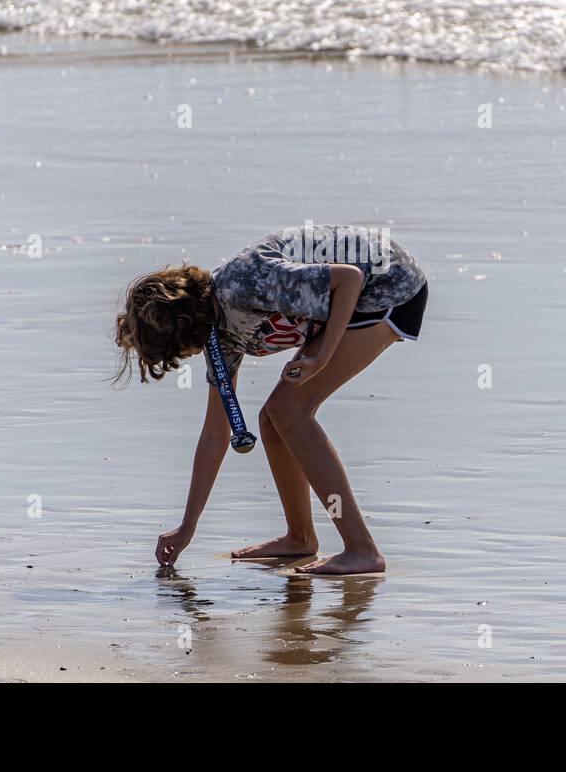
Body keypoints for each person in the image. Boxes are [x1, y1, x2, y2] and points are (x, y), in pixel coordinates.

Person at [114, 225, 428, 575]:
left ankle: (362, 550)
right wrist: (187, 526)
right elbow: (214, 434)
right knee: (273, 419)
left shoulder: (243, 284)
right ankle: (300, 538)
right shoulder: (219, 337)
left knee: (290, 410)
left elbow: (349, 279)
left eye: (176, 352)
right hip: (354, 297)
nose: (185, 357)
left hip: (389, 285)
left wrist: (322, 355)